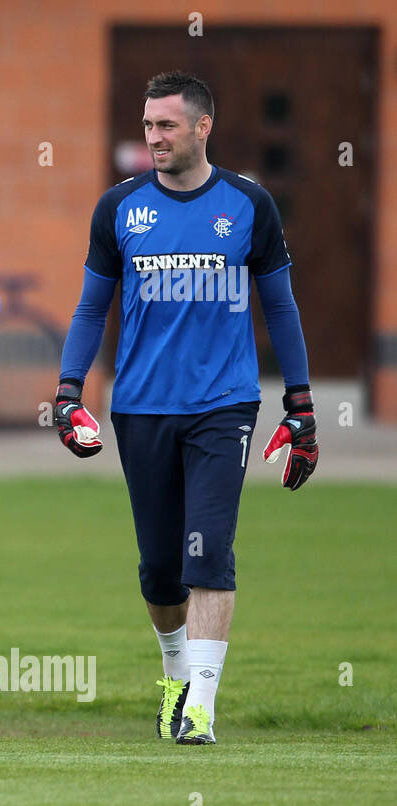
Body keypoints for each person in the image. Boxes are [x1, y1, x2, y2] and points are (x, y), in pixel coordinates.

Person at [54, 72, 318, 745]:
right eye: (147, 126)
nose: (154, 138)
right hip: (139, 408)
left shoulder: (249, 205)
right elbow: (91, 307)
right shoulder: (119, 208)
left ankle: (201, 704)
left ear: (203, 127)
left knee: (209, 552)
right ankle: (175, 669)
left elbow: (281, 307)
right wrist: (67, 393)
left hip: (222, 406)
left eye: (166, 125)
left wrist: (301, 405)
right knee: (160, 568)